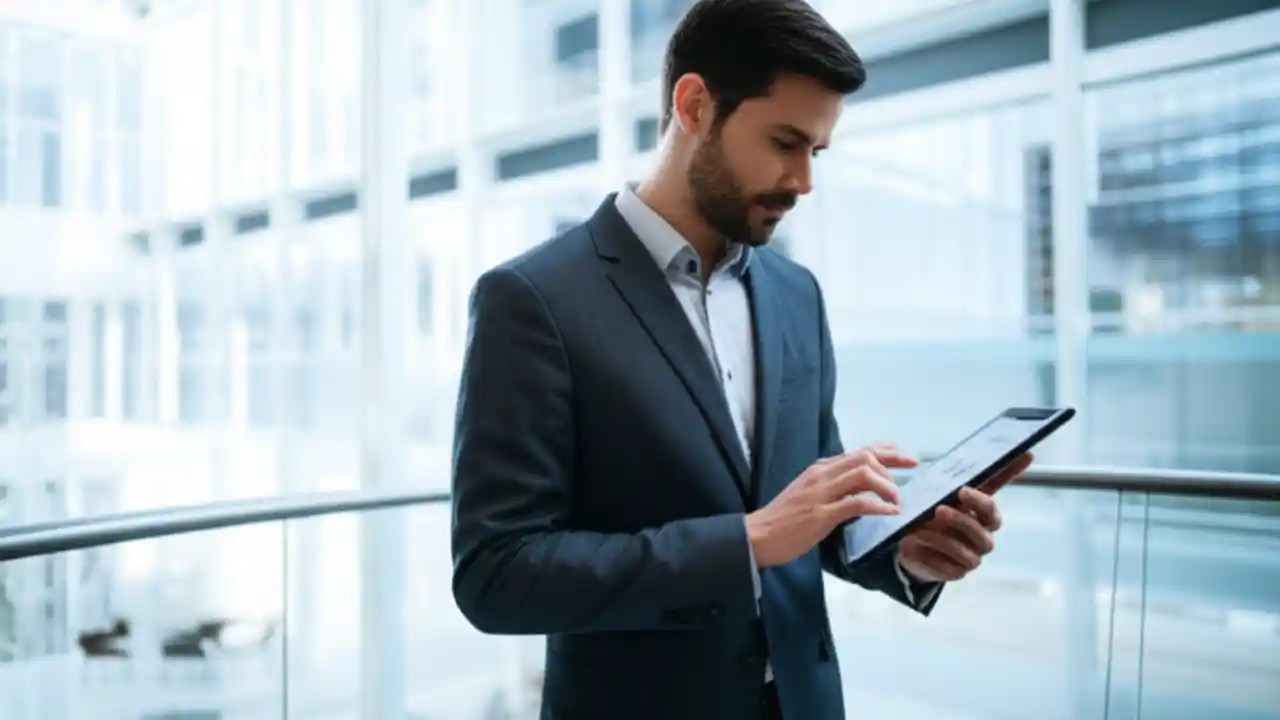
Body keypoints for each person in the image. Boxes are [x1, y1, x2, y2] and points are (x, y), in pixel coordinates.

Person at [451, 1, 1033, 718]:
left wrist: (905, 553)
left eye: (816, 151)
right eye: (785, 142)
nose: (803, 180)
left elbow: (807, 513)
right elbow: (497, 574)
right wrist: (748, 541)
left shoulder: (795, 295)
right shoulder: (534, 299)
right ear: (694, 105)